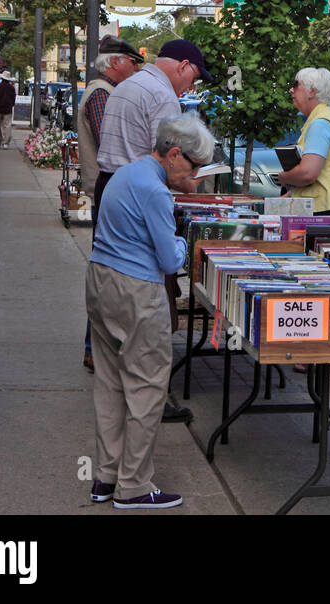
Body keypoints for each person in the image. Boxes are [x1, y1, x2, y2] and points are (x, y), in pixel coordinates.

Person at [86, 112, 215, 509]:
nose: (196, 176)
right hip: (136, 290)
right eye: (194, 168)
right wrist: (184, 240)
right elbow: (168, 258)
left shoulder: (126, 173)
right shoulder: (156, 192)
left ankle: (107, 476)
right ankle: (135, 486)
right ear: (174, 155)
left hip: (100, 278)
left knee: (109, 384)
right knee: (146, 387)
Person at [95, 38, 212, 421]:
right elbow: (163, 159)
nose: (192, 87)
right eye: (194, 77)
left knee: (112, 301)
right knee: (149, 310)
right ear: (182, 66)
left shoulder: (127, 84)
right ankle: (149, 398)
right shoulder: (163, 97)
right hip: (142, 198)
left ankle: (111, 366)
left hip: (114, 186)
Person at [78, 35, 144, 373]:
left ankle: (98, 346)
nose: (135, 70)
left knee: (108, 269)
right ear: (115, 63)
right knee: (108, 271)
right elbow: (113, 142)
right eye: (133, 63)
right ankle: (96, 347)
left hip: (109, 189)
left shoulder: (104, 92)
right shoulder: (102, 94)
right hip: (110, 190)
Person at [275, 67, 330, 216]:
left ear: (312, 91)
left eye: (296, 85)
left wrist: (284, 177)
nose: (291, 90)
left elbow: (308, 173)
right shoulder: (324, 118)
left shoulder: (320, 123)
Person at [0, 72, 17, 148]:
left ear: (1, 78)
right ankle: (6, 143)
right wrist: (11, 105)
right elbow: (13, 99)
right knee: (7, 126)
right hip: (8, 110)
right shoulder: (12, 88)